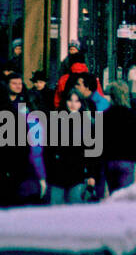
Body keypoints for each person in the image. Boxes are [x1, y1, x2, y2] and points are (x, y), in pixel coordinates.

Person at [0, 71, 44, 206]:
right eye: (14, 83)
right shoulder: (3, 104)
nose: (18, 86)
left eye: (20, 83)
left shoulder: (26, 101)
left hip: (23, 152)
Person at [45, 90, 97, 204]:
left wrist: (92, 174)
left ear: (81, 103)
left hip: (78, 173)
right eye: (70, 100)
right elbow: (48, 150)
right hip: (57, 173)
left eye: (77, 101)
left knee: (75, 210)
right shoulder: (54, 121)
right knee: (55, 210)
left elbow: (92, 151)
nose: (73, 104)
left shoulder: (88, 123)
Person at [100, 82, 136, 194]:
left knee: (113, 193)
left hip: (110, 160)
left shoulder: (104, 116)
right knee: (124, 197)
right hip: (127, 160)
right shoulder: (133, 117)